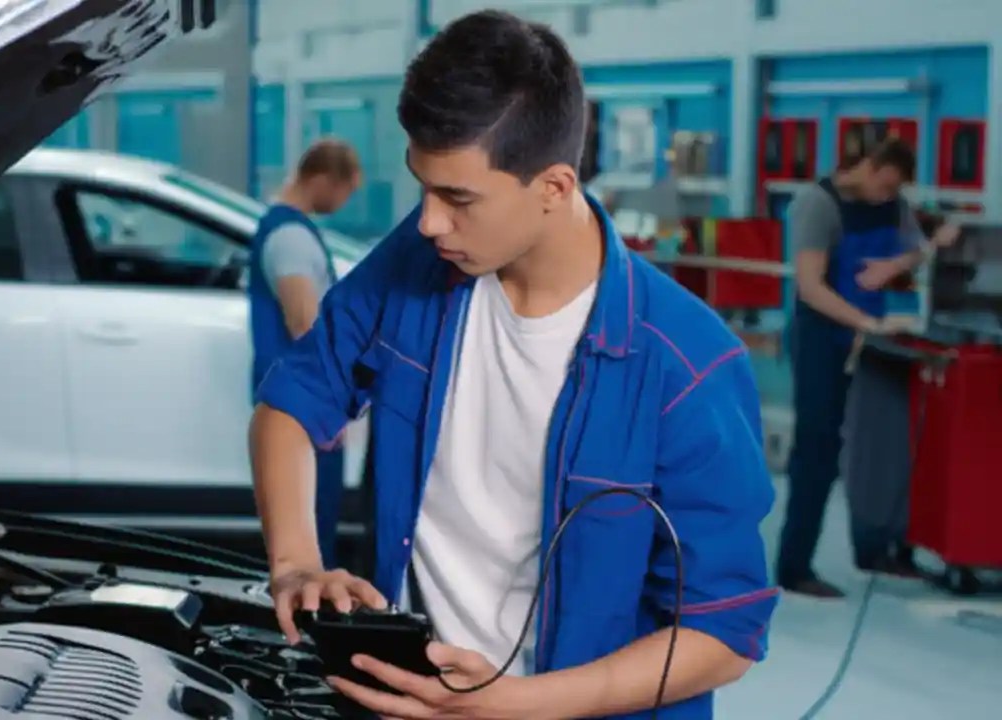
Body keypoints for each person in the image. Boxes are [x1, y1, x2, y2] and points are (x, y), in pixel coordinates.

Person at [249, 11, 777, 720]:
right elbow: (291, 400)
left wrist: (516, 704)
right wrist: (296, 564)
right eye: (424, 188)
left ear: (554, 187)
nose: (431, 220)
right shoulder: (421, 260)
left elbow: (724, 631)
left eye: (459, 198)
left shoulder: (686, 365)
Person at [774, 139, 959, 599]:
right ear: (869, 166)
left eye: (895, 189)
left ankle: (877, 549)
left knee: (884, 443)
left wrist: (903, 261)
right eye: (885, 184)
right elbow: (812, 288)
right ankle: (794, 565)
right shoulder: (817, 205)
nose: (887, 196)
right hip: (823, 338)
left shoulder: (893, 204)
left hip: (871, 339)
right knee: (817, 450)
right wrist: (869, 323)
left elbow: (916, 249)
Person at [249, 138, 361, 570]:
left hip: (299, 402)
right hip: (305, 408)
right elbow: (304, 324)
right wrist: (328, 408)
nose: (344, 202)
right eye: (345, 191)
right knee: (311, 535)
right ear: (322, 180)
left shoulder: (282, 229)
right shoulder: (291, 237)